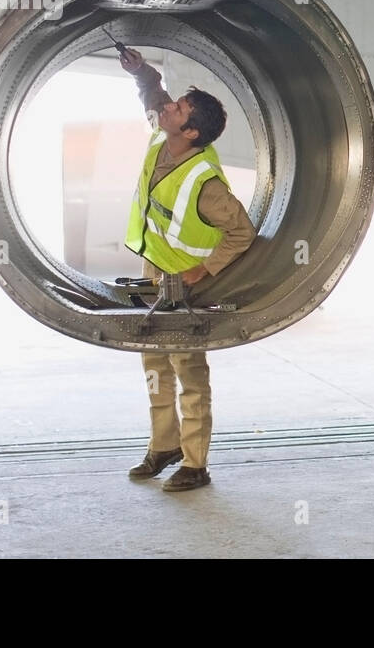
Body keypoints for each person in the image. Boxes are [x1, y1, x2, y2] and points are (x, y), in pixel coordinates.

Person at [118, 46, 257, 492]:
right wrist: (142, 72)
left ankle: (195, 463)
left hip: (183, 283)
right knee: (154, 361)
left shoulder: (206, 182)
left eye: (178, 109)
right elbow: (155, 98)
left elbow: (242, 232)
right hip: (152, 269)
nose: (168, 108)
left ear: (191, 130)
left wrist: (205, 270)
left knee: (188, 370)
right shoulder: (164, 137)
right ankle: (164, 446)